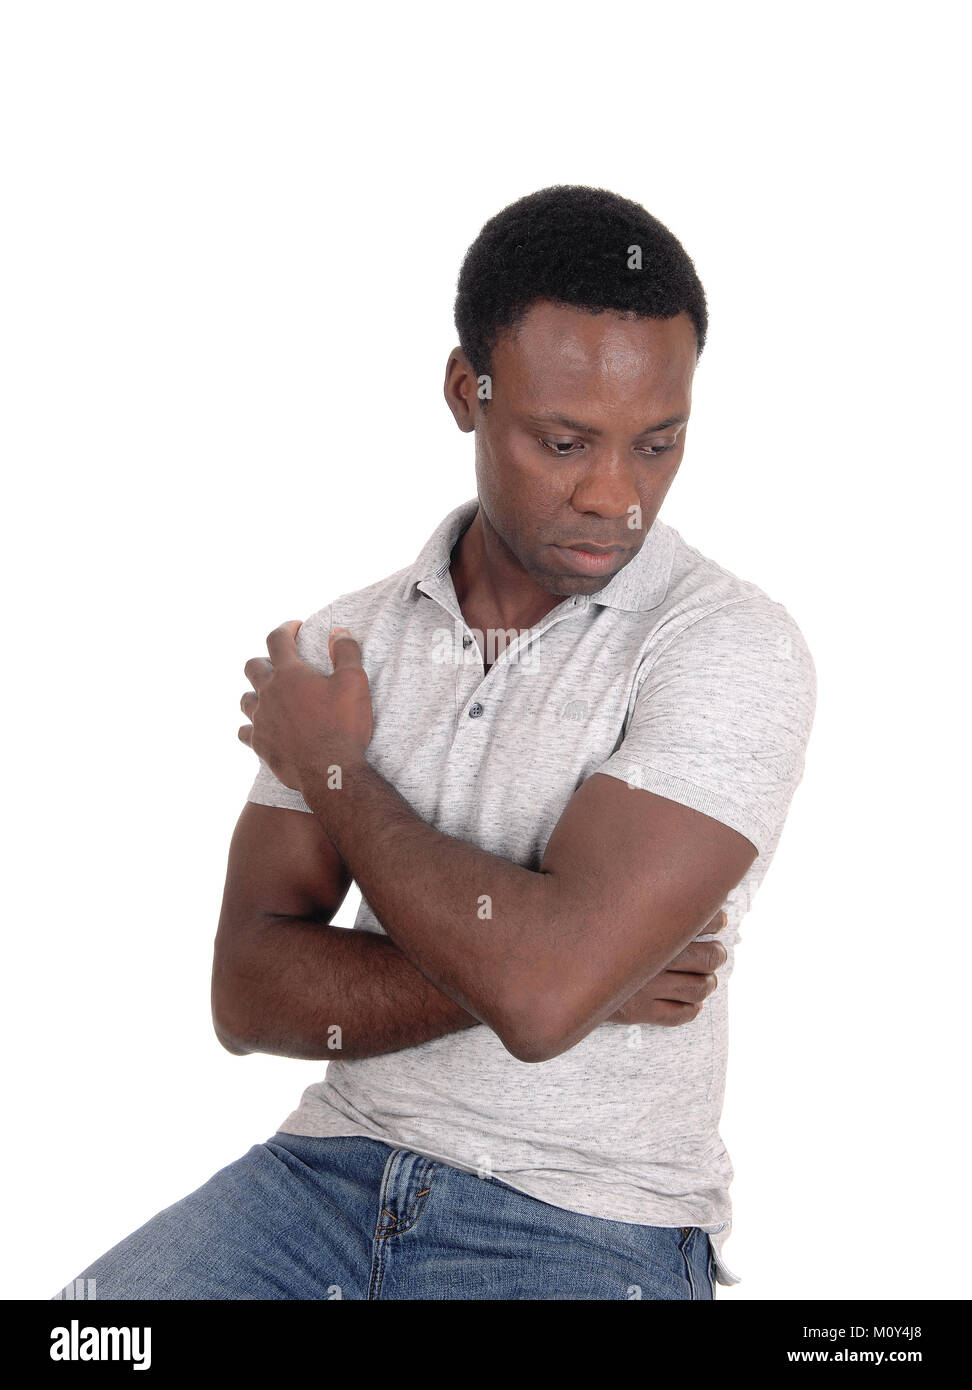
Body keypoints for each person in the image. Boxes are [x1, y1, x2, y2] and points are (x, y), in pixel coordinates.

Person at [54, 185, 816, 1301]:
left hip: (585, 1218)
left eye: (658, 443)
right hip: (324, 1177)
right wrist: (580, 968)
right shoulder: (346, 646)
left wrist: (338, 775)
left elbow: (546, 994)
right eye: (564, 441)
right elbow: (252, 988)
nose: (616, 497)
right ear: (468, 391)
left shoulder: (729, 649)